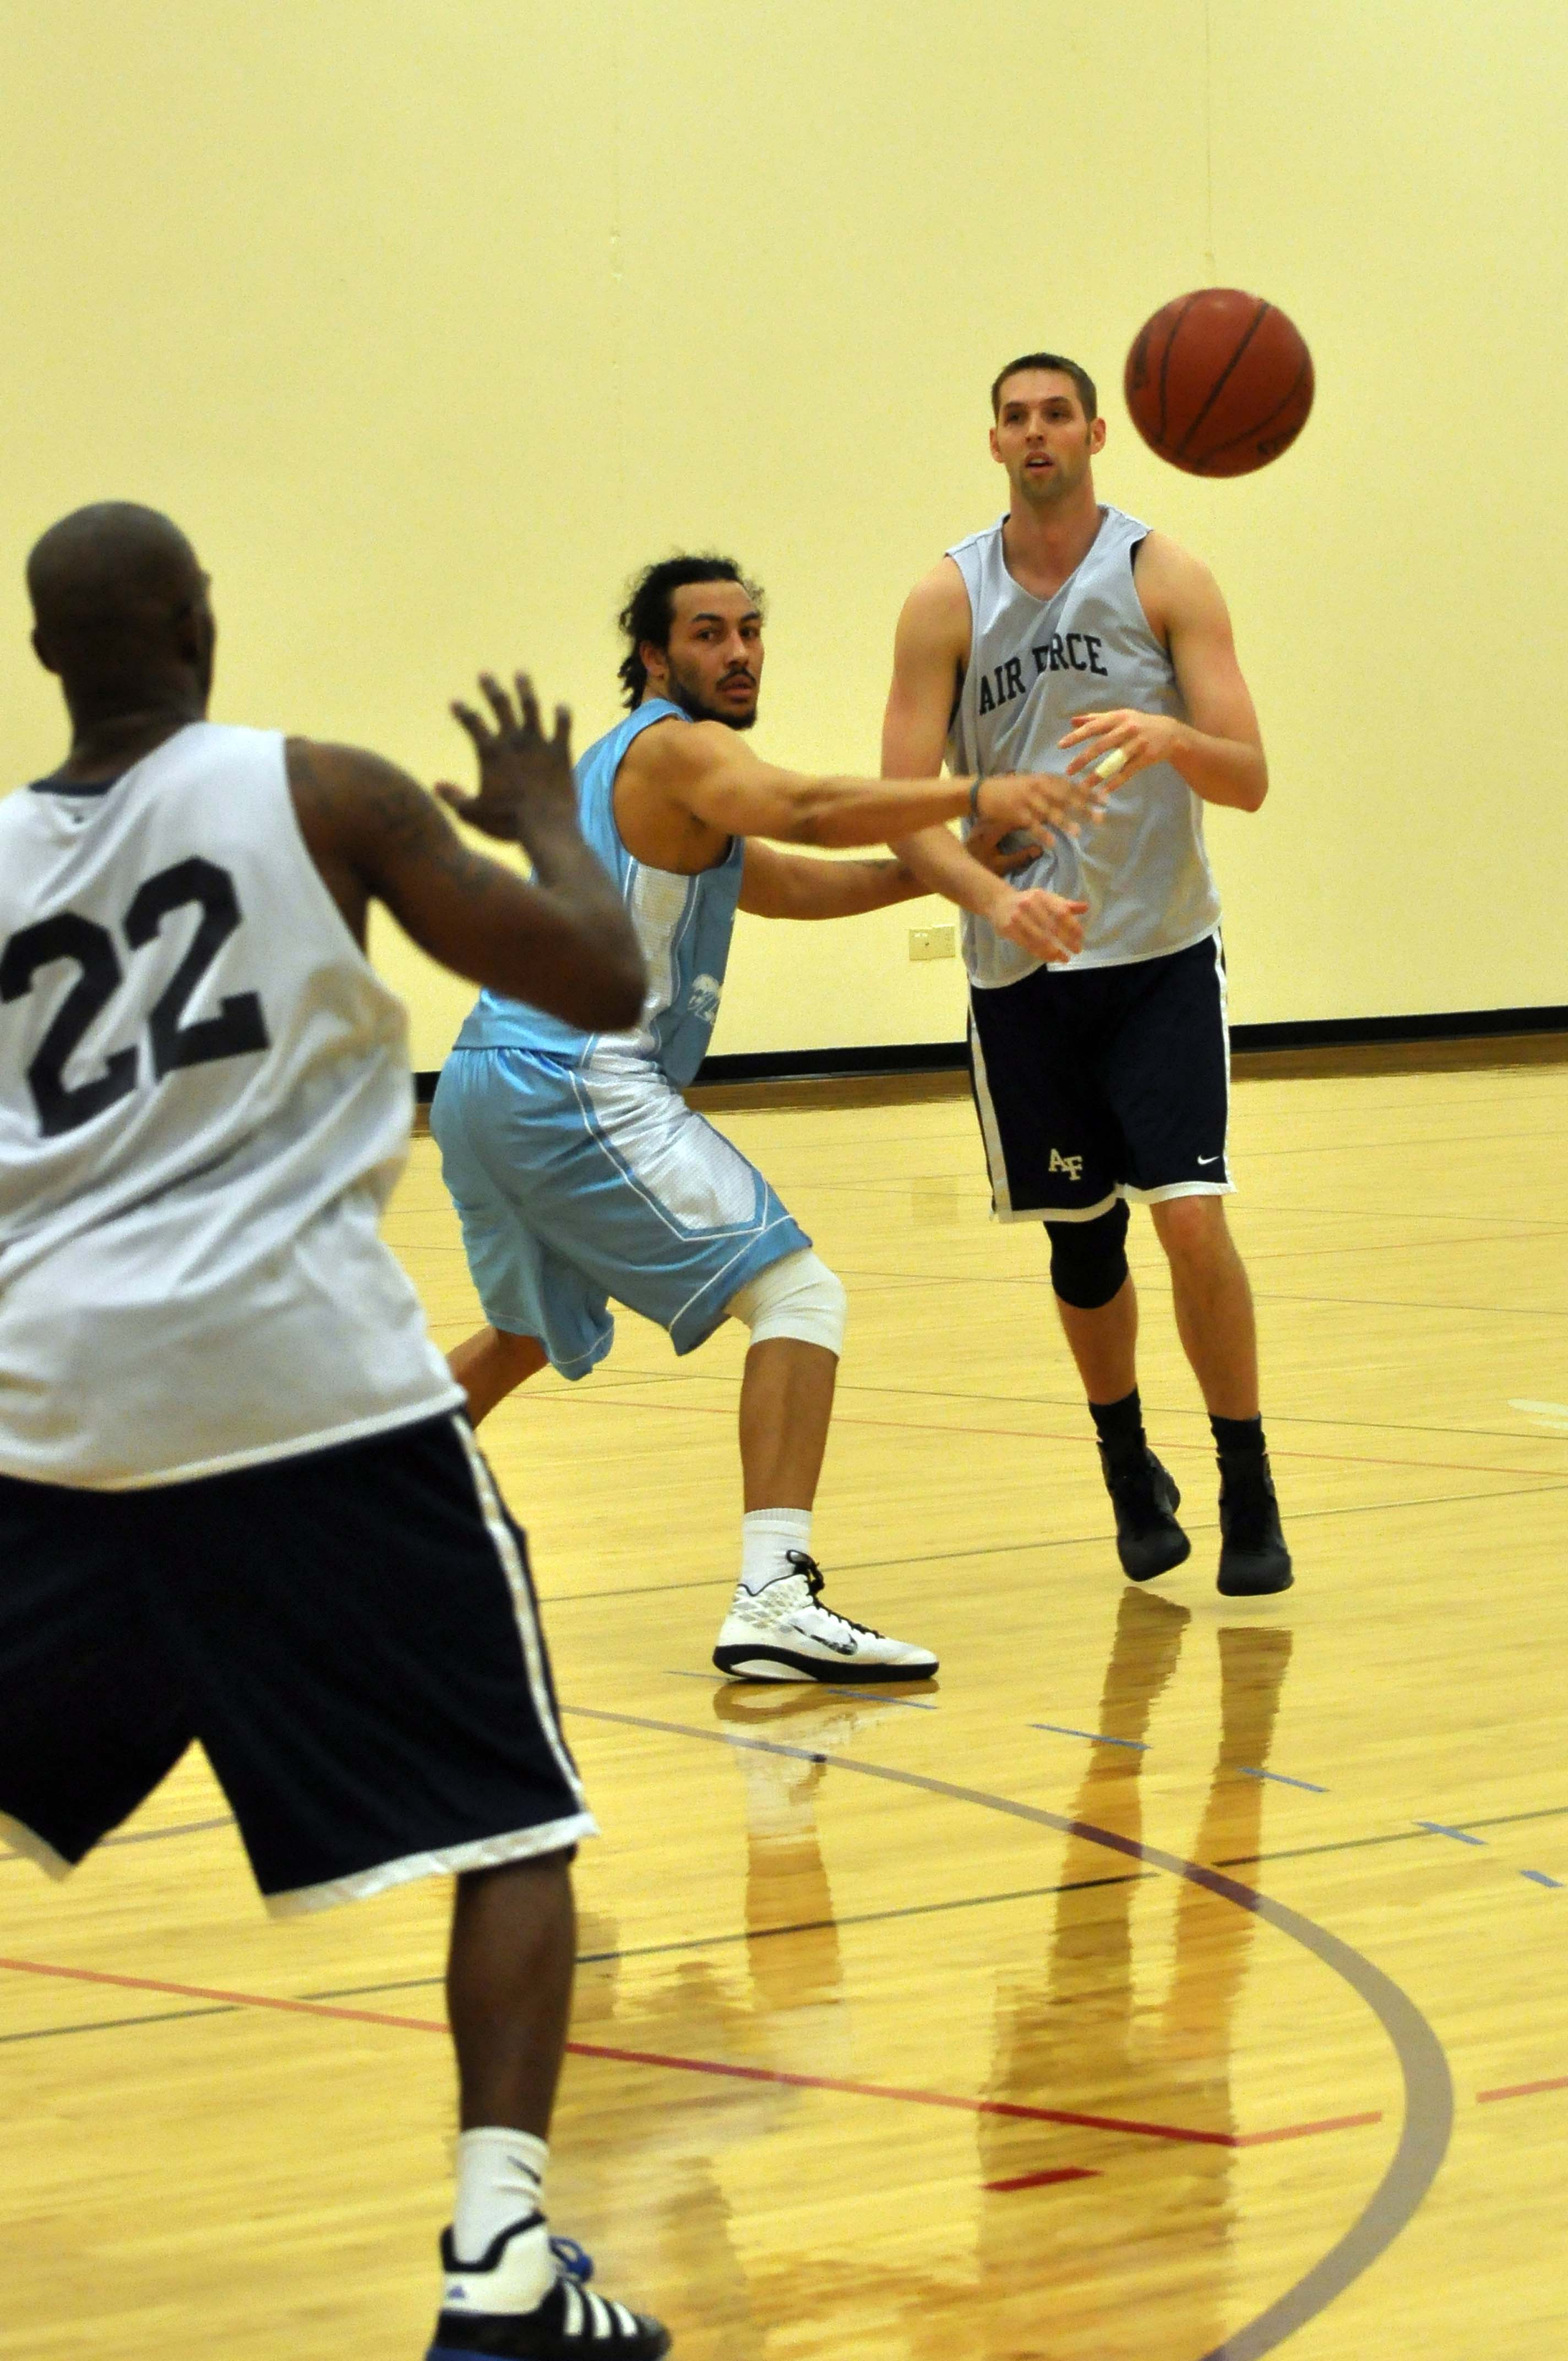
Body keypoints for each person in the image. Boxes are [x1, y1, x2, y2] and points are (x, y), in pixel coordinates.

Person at [0, 503, 671, 2357]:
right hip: (309, 1395)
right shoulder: (323, 790)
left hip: (55, 1414)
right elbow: (600, 983)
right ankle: (501, 2259)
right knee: (517, 1818)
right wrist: (543, 802)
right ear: (203, 625)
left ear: (49, 656)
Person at [432, 553, 1098, 1683]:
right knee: (798, 1292)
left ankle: (306, 1531)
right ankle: (774, 1590)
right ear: (652, 656)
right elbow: (807, 805)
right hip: (571, 1076)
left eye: (747, 631)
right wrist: (971, 794)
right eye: (706, 634)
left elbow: (778, 875)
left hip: (482, 1078)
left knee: (522, 1338)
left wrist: (936, 870)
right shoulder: (679, 745)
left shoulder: (629, 772)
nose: (736, 653)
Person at [881, 352, 1293, 1596]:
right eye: (1014, 417)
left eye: (1055, 412)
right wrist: (991, 887)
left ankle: (1245, 1478)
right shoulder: (945, 599)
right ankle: (1124, 1462)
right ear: (992, 443)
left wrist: (1170, 732)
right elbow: (899, 812)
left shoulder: (1161, 572)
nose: (1035, 431)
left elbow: (1249, 774)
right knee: (1082, 1241)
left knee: (1188, 1214)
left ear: (1098, 431)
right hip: (1023, 965)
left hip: (1159, 951)